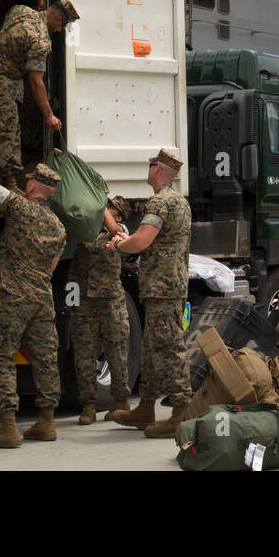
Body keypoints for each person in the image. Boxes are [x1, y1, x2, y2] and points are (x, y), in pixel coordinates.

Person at [0, 140, 65, 449]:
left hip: (12, 297)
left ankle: (8, 427)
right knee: (45, 358)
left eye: (28, 180)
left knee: (0, 354)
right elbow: (50, 266)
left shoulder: (20, 208)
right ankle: (46, 422)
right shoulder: (59, 227)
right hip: (41, 299)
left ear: (34, 185)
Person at [108, 150, 192, 439]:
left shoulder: (160, 202)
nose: (148, 170)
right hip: (168, 287)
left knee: (169, 349)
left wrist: (119, 245)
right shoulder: (180, 201)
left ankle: (181, 414)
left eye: (151, 166)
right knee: (151, 350)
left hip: (162, 288)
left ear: (158, 169)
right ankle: (145, 408)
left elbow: (142, 240)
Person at [0, 0, 79, 187]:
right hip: (0, 85)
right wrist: (49, 116)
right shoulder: (41, 41)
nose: (58, 29)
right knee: (6, 137)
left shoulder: (20, 11)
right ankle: (4, 187)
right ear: (56, 16)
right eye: (61, 24)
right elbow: (36, 81)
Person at [69, 195, 132, 425]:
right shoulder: (86, 228)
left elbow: (104, 236)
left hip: (110, 300)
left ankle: (121, 401)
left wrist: (98, 203)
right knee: (84, 353)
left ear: (119, 215)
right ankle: (88, 406)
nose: (105, 209)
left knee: (116, 353)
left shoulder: (119, 231)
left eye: (110, 208)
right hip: (84, 300)